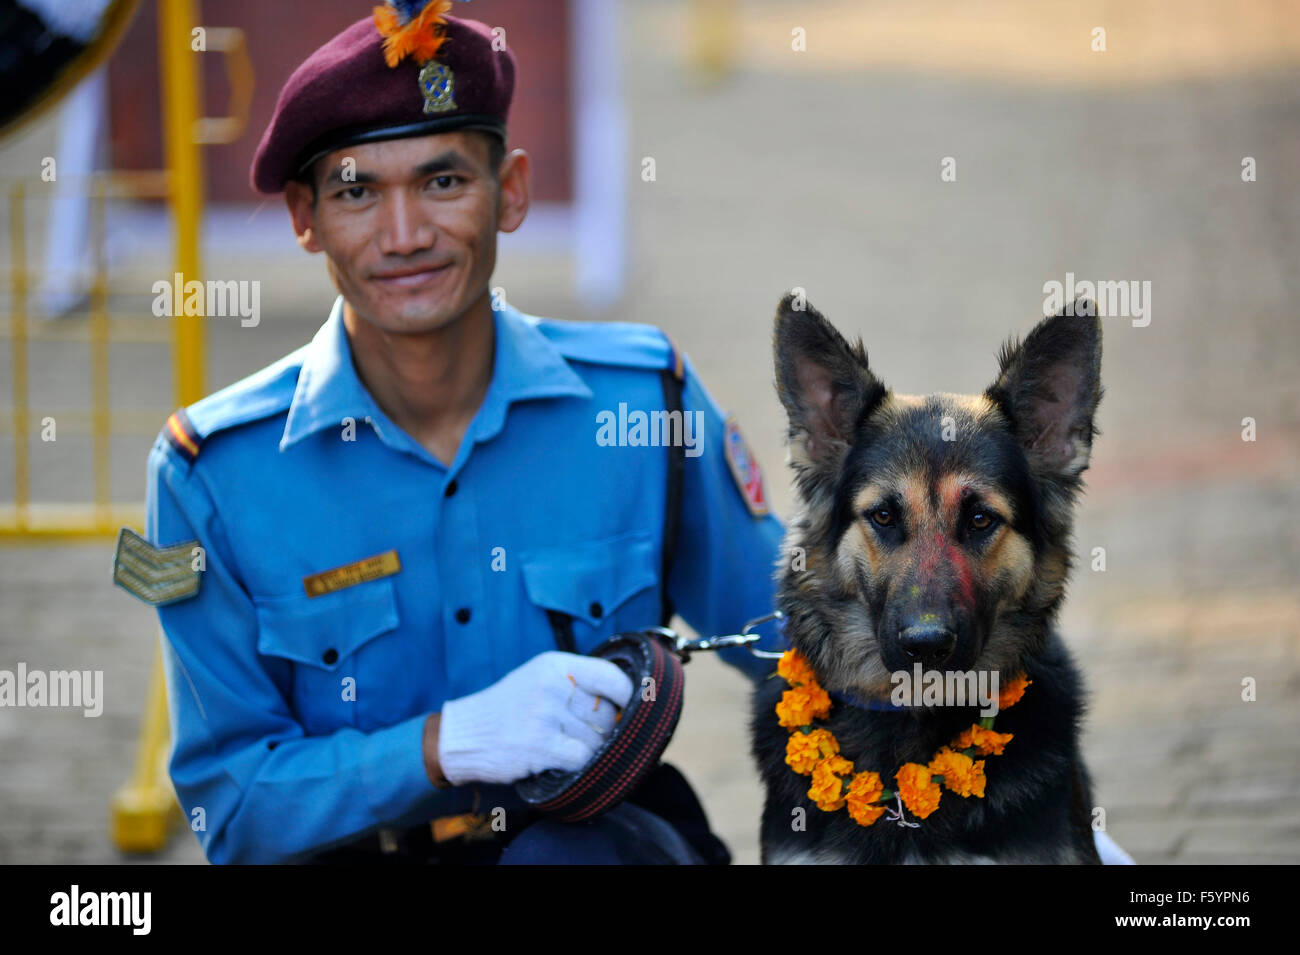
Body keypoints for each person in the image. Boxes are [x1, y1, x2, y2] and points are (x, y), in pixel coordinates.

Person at [120, 2, 784, 864]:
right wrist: (439, 744)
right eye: (357, 191)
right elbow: (233, 809)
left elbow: (795, 640)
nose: (406, 237)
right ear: (304, 217)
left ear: (509, 193)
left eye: (443, 182)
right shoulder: (212, 475)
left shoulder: (642, 403)